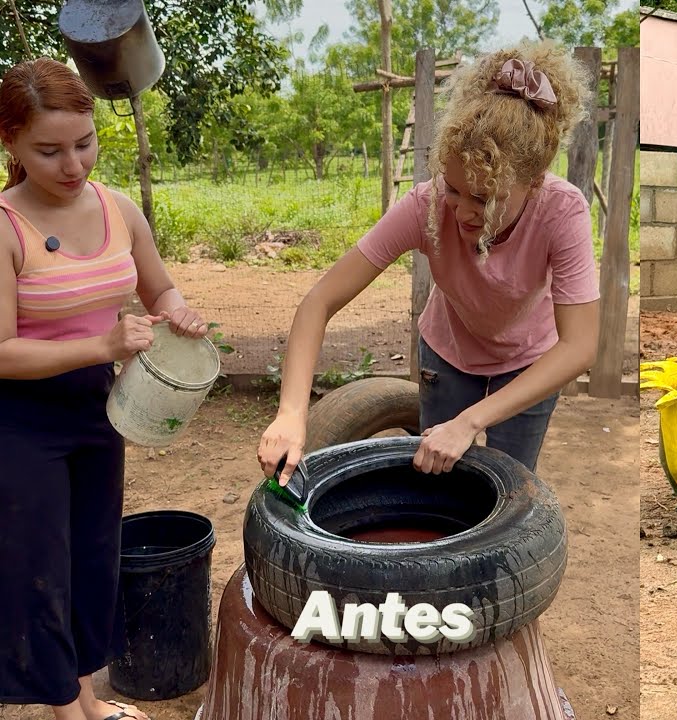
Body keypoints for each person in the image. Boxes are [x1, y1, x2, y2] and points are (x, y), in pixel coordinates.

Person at [257, 41, 600, 482]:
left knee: (512, 484)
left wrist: (470, 422)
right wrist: (290, 414)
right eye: (455, 189)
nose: (461, 212)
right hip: (450, 350)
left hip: (530, 360)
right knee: (433, 473)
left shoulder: (562, 212)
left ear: (533, 183)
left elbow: (579, 346)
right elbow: (320, 301)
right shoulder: (427, 203)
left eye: (485, 198)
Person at [0, 59, 209, 720]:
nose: (73, 164)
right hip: (21, 417)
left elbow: (159, 286)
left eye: (84, 143)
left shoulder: (117, 209)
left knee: (92, 556)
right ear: (10, 143)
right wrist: (102, 346)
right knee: (39, 563)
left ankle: (85, 697)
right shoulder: (6, 227)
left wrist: (179, 310)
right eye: (49, 150)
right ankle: (66, 706)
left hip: (99, 407)